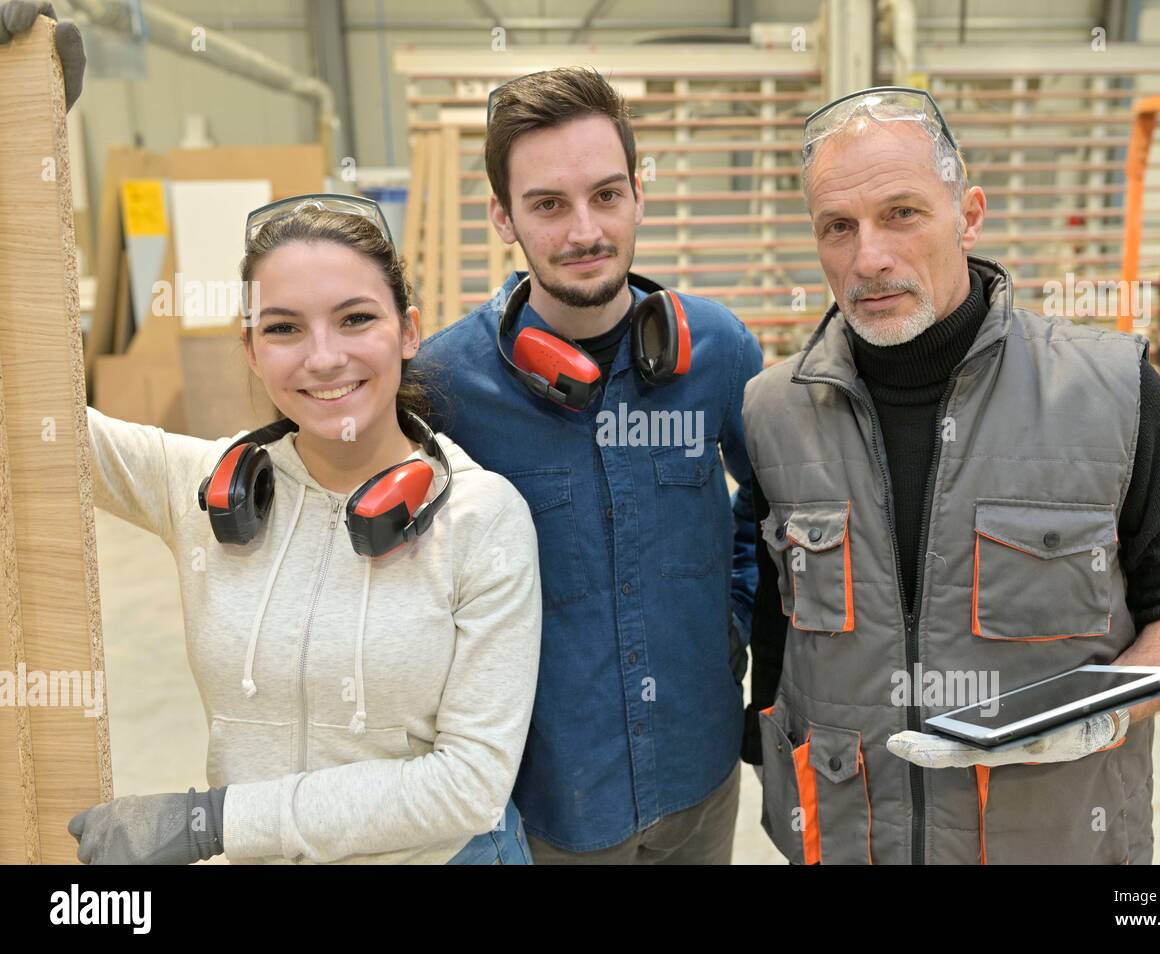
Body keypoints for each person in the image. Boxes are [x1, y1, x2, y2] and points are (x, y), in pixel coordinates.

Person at [741, 87, 1160, 865]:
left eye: (902, 214)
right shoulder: (771, 412)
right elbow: (772, 629)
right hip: (846, 840)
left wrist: (1110, 710)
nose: (869, 258)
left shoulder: (1108, 391)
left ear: (970, 214)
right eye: (838, 228)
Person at [68, 195, 542, 864]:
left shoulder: (481, 518)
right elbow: (36, 417)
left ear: (407, 332)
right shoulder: (202, 486)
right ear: (251, 350)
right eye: (284, 329)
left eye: (355, 319)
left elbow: (469, 786)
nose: (323, 358)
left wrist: (213, 822)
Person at [413, 68, 765, 863]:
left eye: (606, 195)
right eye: (548, 204)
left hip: (700, 778)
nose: (584, 231)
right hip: (551, 801)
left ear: (639, 194)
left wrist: (732, 618)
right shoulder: (445, 387)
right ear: (502, 215)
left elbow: (775, 510)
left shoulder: (720, 352)